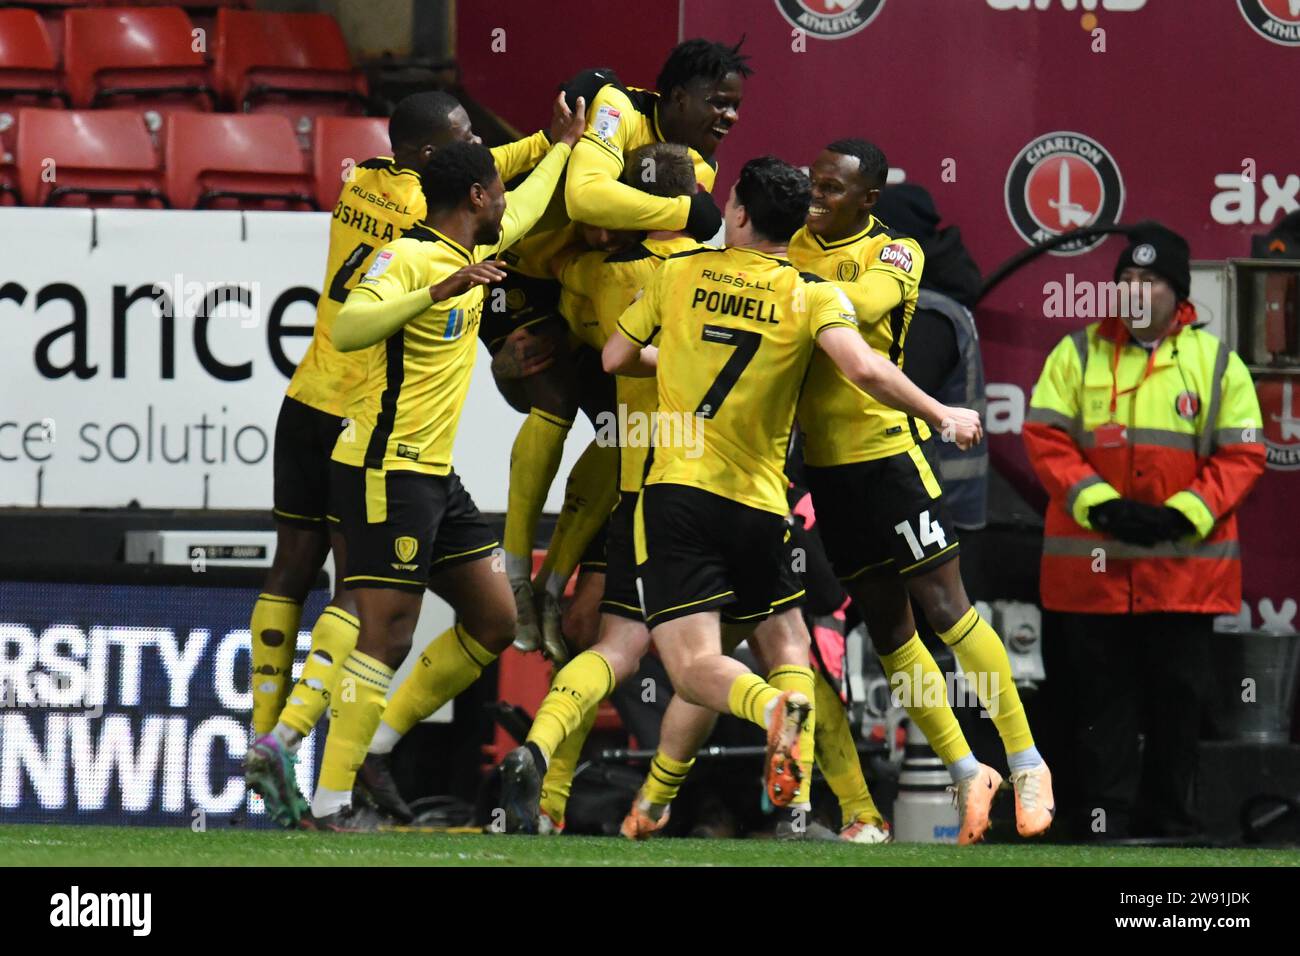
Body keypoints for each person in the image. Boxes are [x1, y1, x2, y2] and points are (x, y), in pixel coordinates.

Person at [598, 156, 982, 825]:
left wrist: (679, 354)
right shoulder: (810, 294)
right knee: (788, 648)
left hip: (679, 497)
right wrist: (940, 415)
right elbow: (865, 368)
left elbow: (614, 358)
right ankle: (668, 803)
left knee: (694, 670)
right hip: (763, 506)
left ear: (738, 214)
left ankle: (775, 712)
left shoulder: (676, 272)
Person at [244, 89, 580, 826]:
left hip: (435, 478)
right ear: (474, 194)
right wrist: (438, 288)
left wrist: (561, 148)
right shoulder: (413, 257)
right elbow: (356, 323)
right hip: (382, 467)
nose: (506, 200)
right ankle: (329, 794)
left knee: (496, 619)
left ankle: (323, 740)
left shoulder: (475, 244)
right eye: (496, 187)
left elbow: (524, 212)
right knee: (385, 630)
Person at [791, 139, 1053, 844]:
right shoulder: (793, 245)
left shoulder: (895, 256)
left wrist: (778, 282)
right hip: (829, 471)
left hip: (889, 462)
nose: (816, 198)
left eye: (833, 189)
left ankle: (1027, 761)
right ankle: (969, 771)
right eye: (812, 185)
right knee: (887, 630)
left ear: (868, 199)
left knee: (947, 611)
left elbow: (853, 307)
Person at [500, 40, 750, 658]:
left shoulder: (702, 163)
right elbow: (587, 199)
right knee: (553, 402)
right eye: (719, 103)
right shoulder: (615, 106)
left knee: (620, 433)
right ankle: (514, 581)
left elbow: (617, 217)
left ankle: (553, 582)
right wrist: (683, 207)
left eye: (737, 107)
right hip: (516, 266)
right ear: (677, 96)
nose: (730, 117)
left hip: (579, 278)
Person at [1024, 222, 1266, 840]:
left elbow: (1242, 451)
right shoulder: (1076, 353)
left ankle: (1171, 824)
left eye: (1150, 280)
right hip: (1091, 576)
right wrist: (1101, 505)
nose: (1136, 290)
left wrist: (1185, 511)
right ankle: (1100, 821)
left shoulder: (1217, 364)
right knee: (1097, 706)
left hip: (1184, 572)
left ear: (1178, 294)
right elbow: (1046, 438)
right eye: (1126, 279)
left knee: (1176, 706)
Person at [875, 183, 989, 529]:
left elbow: (891, 401)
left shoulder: (927, 313)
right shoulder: (922, 299)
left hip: (932, 512)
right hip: (926, 508)